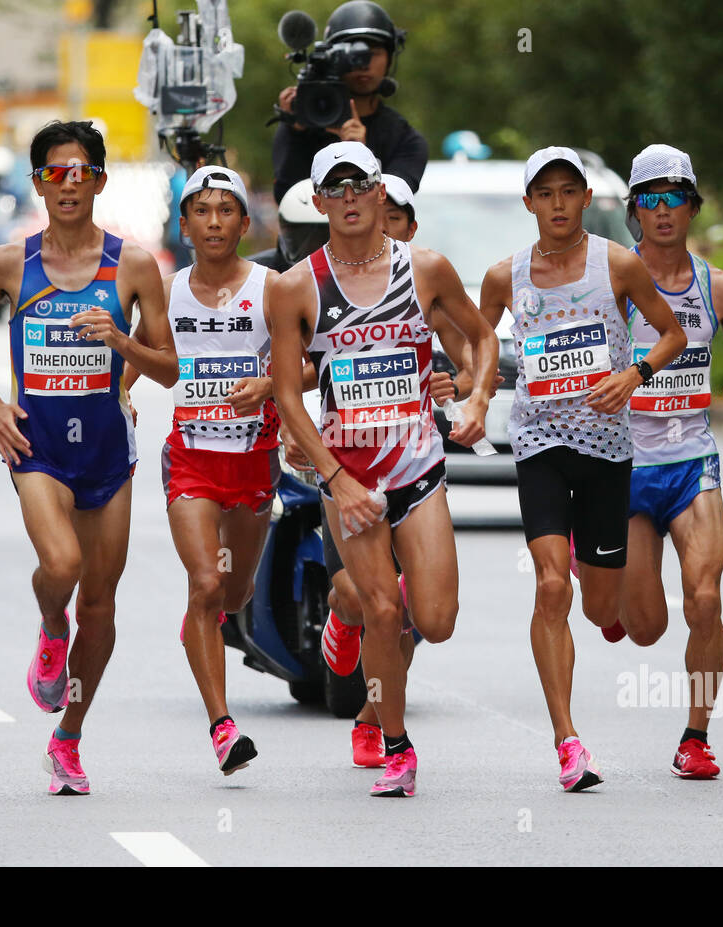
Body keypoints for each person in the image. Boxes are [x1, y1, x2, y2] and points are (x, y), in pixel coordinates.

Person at [269, 142, 498, 796]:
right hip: (352, 481)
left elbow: (481, 337)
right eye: (332, 189)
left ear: (378, 194)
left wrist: (478, 396)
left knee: (435, 620)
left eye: (358, 186)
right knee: (379, 608)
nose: (346, 199)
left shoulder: (425, 269)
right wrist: (336, 481)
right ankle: (395, 746)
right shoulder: (295, 288)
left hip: (419, 469)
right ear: (317, 202)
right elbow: (289, 394)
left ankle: (353, 624)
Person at [0, 120, 171, 795]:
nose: (69, 184)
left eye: (81, 172)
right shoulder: (5, 263)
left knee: (103, 607)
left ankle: (69, 738)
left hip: (108, 451)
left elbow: (167, 367)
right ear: (39, 184)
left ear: (100, 182)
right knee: (63, 567)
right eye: (56, 173)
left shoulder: (132, 265)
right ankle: (52, 623)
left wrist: (121, 341)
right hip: (40, 446)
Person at [478, 146, 686, 792]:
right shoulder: (502, 277)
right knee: (549, 588)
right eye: (547, 194)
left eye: (570, 192)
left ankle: (594, 574)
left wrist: (634, 374)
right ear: (529, 204)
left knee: (599, 608)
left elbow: (672, 333)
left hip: (606, 453)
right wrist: (469, 387)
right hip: (538, 444)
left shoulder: (616, 265)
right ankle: (568, 742)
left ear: (586, 200)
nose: (560, 204)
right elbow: (478, 345)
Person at [605, 143, 723, 779]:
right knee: (644, 629)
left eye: (676, 198)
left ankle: (696, 736)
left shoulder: (718, 288)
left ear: (694, 208)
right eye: (650, 200)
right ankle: (607, 587)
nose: (664, 211)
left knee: (704, 598)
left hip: (692, 460)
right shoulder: (614, 280)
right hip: (624, 464)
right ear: (635, 212)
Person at [121, 166, 281, 775]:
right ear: (184, 225)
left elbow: (310, 364)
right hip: (191, 458)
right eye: (202, 211)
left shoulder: (274, 287)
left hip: (254, 461)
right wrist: (122, 390)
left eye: (226, 210)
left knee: (233, 594)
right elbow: (147, 347)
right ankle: (222, 727)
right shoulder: (166, 289)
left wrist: (268, 384)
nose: (214, 222)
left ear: (245, 221)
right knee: (207, 586)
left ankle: (200, 624)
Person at [271, 1, 427, 203]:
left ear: (390, 59)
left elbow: (393, 207)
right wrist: (295, 134)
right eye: (353, 53)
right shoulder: (302, 125)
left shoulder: (406, 140)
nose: (364, 63)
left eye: (374, 52)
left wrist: (362, 157)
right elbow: (287, 200)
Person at [248, 178, 331, 273]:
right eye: (301, 236)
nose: (310, 245)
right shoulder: (257, 273)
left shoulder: (347, 276)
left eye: (320, 237)